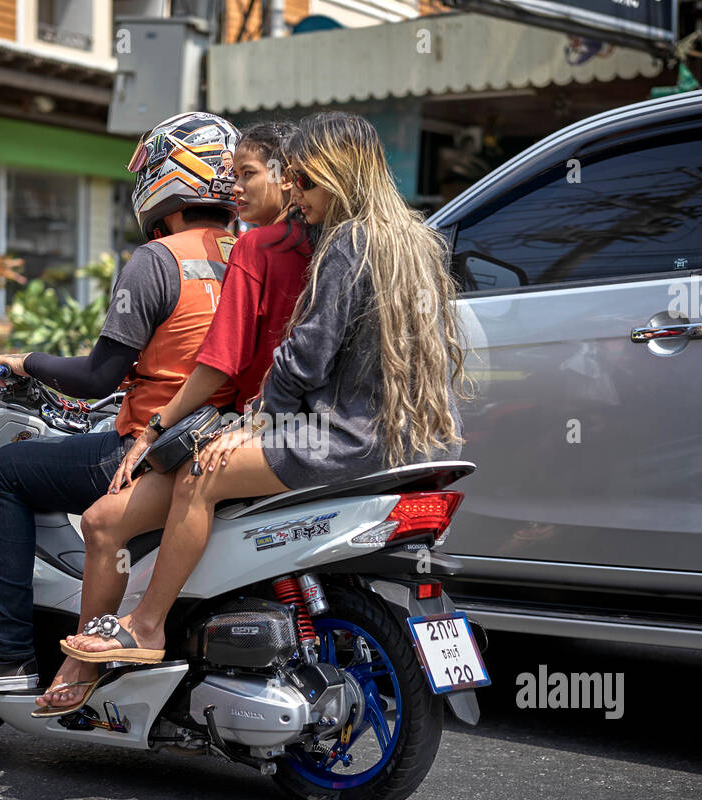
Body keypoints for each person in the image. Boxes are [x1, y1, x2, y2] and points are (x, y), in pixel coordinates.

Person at [59, 111, 472, 670]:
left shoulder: (346, 242)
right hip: (403, 440)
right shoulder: (416, 240)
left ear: (340, 174)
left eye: (304, 180)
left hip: (339, 439)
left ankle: (147, 624)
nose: (296, 194)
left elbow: (305, 355)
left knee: (202, 474)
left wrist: (256, 422)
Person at [0, 111, 242, 694]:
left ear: (169, 176)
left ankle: (9, 656)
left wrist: (27, 361)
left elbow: (96, 376)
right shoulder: (250, 255)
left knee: (4, 474)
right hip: (227, 437)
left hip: (152, 442)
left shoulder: (157, 260)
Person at [33, 122, 312, 714]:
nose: (235, 189)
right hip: (298, 423)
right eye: (231, 175)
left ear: (288, 179)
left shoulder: (254, 250)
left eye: (247, 175)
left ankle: (116, 644)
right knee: (118, 514)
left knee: (101, 517)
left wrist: (158, 430)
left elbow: (220, 363)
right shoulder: (324, 245)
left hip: (255, 427)